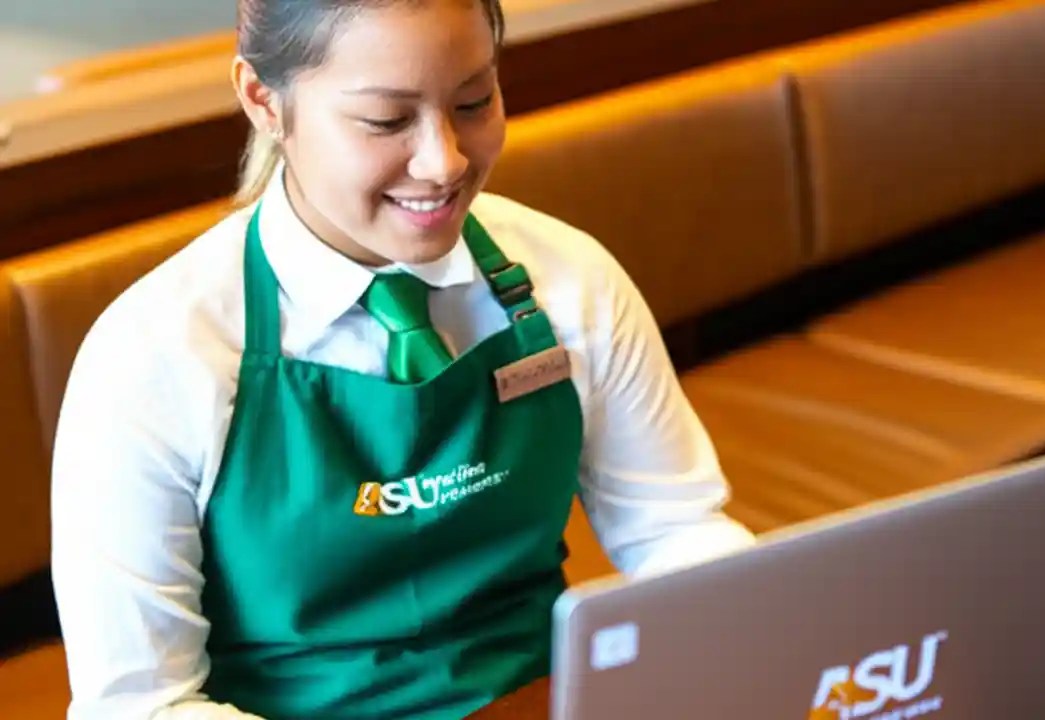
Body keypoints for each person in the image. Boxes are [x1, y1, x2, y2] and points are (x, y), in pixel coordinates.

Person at [48, 1, 756, 717]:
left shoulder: (568, 280)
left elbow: (674, 528)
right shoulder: (155, 356)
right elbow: (141, 704)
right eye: (386, 120)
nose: (443, 160)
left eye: (474, 101)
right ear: (264, 100)